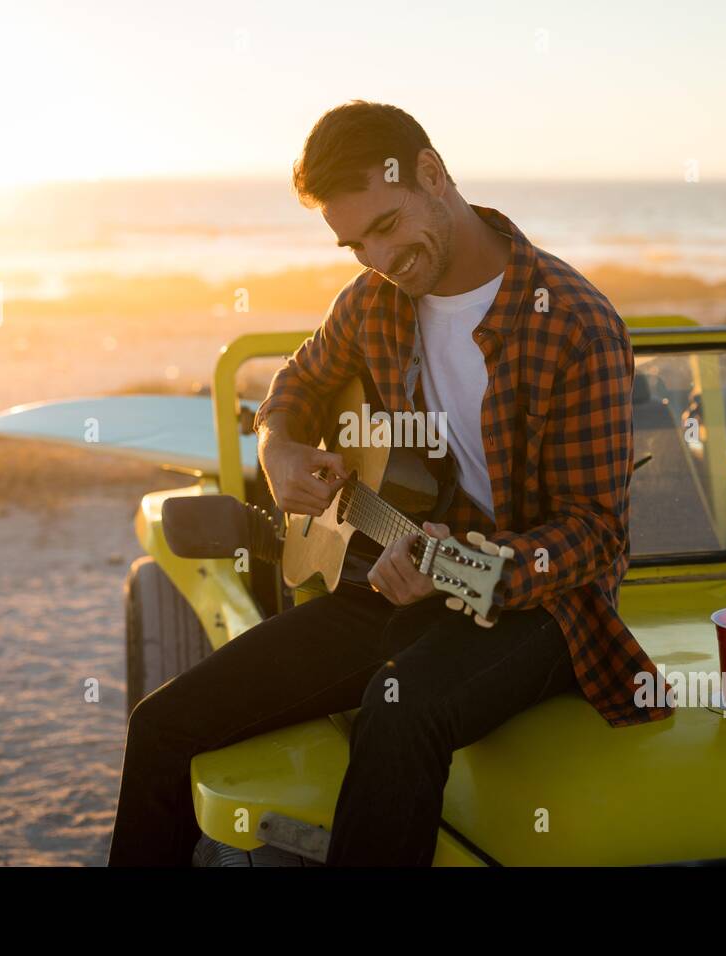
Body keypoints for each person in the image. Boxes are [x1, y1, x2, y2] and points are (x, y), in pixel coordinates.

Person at [106, 100, 673, 868]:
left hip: (540, 608)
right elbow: (295, 387)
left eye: (386, 225)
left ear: (432, 174)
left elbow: (594, 534)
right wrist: (276, 450)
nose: (376, 256)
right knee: (163, 725)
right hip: (395, 574)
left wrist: (470, 568)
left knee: (399, 712)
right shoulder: (375, 300)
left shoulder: (573, 324)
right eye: (354, 243)